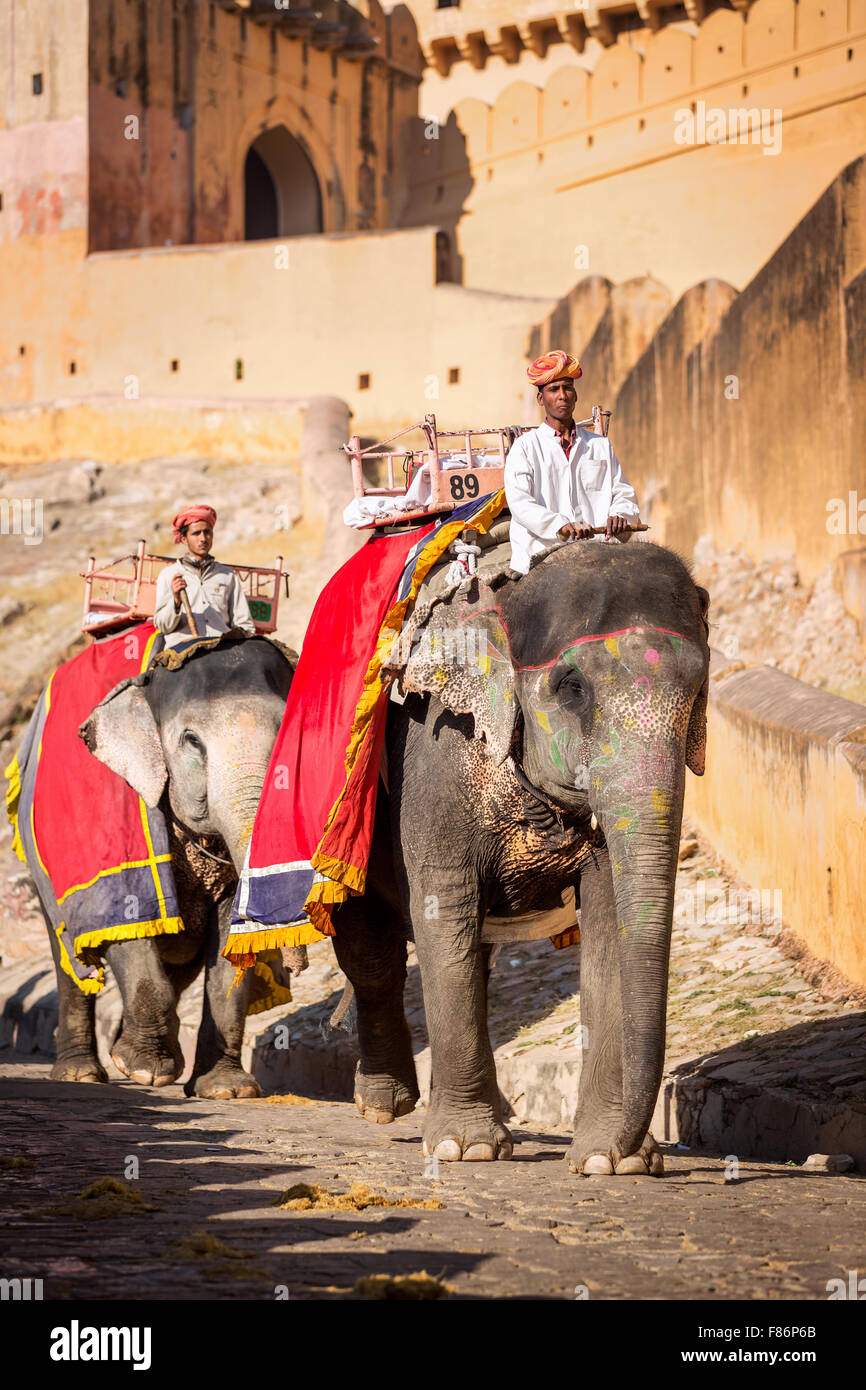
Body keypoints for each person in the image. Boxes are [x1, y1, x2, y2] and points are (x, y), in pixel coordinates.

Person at [504, 349, 641, 575]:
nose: (562, 395)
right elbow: (520, 504)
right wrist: (560, 525)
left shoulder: (600, 446)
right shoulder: (524, 448)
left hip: (599, 557)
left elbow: (623, 492)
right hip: (543, 562)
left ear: (575, 396)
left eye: (568, 388)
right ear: (541, 399)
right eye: (553, 389)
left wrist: (620, 513)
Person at [153, 504, 257, 648]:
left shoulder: (227, 575)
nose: (203, 538)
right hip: (182, 651)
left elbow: (244, 623)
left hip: (221, 650)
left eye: (207, 532)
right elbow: (163, 626)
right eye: (196, 533)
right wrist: (176, 602)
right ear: (184, 539)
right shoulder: (169, 575)